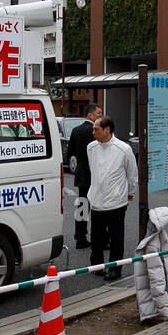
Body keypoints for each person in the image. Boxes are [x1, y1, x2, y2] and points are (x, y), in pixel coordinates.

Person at [86, 114, 137, 281]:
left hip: (116, 201)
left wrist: (130, 191)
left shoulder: (124, 149)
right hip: (96, 200)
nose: (93, 131)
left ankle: (115, 268)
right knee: (96, 236)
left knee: (116, 237)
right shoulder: (91, 148)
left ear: (106, 130)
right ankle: (97, 264)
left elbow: (132, 174)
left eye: (96, 129)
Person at [67, 104, 101, 249]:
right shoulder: (97, 131)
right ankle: (101, 238)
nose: (100, 115)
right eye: (98, 113)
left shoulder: (76, 130)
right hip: (96, 174)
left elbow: (70, 153)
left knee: (82, 206)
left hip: (81, 174)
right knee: (99, 207)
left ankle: (80, 237)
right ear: (90, 115)